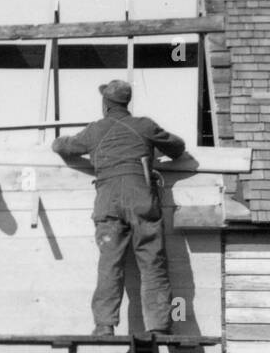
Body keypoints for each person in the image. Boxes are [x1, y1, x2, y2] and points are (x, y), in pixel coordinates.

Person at [51, 79, 186, 336]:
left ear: (105, 104)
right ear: (127, 102)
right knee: (152, 263)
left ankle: (104, 325)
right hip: (142, 199)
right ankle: (158, 327)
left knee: (109, 264)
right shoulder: (145, 125)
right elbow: (178, 147)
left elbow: (62, 147)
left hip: (108, 203)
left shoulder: (95, 130)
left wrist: (60, 142)